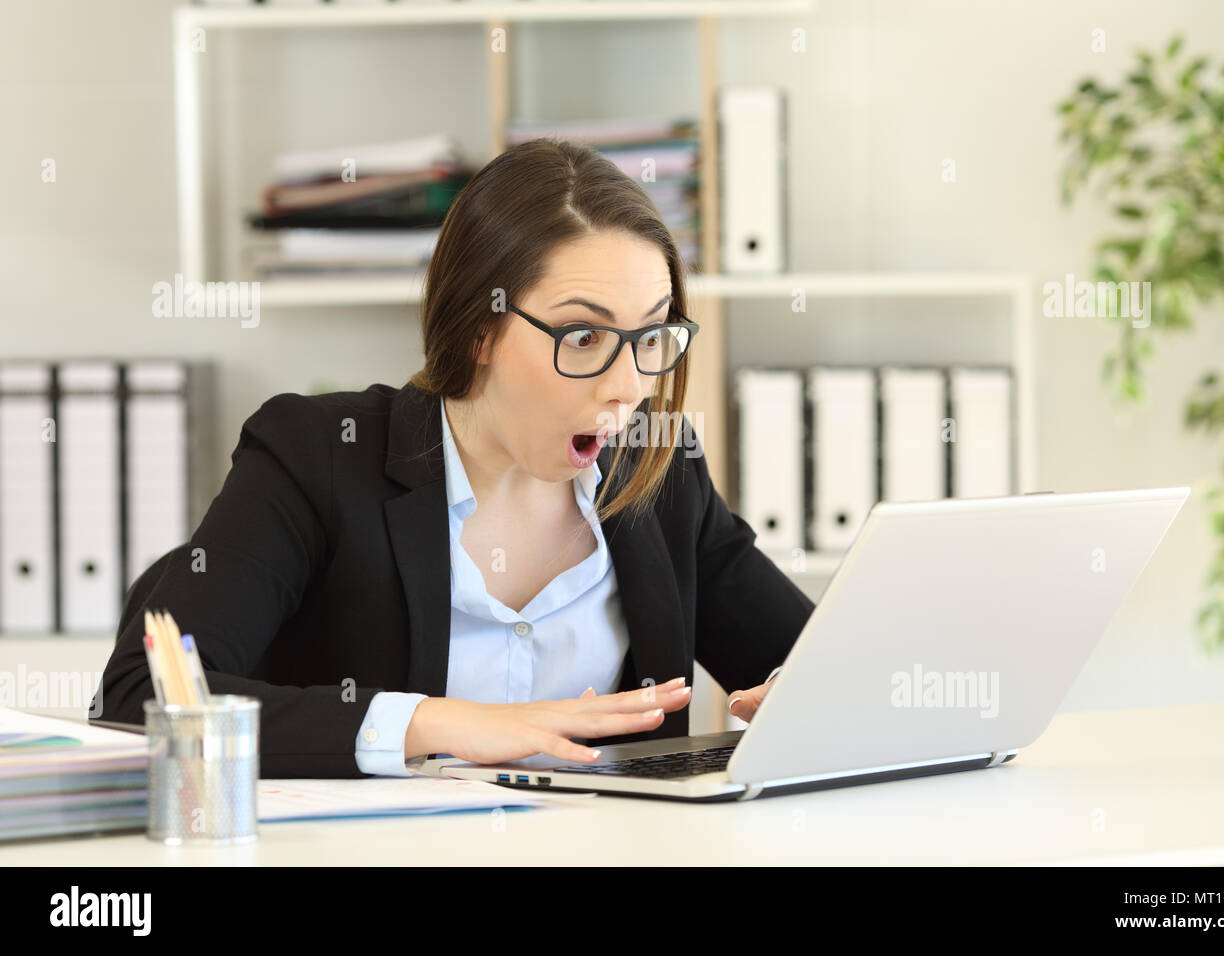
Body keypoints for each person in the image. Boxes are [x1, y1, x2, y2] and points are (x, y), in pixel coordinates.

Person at [93, 138, 815, 778]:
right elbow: (146, 696)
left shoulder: (660, 473)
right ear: (478, 330)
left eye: (652, 335)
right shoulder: (316, 456)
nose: (628, 386)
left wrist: (811, 693)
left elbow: (828, 665)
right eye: (583, 337)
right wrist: (438, 724)